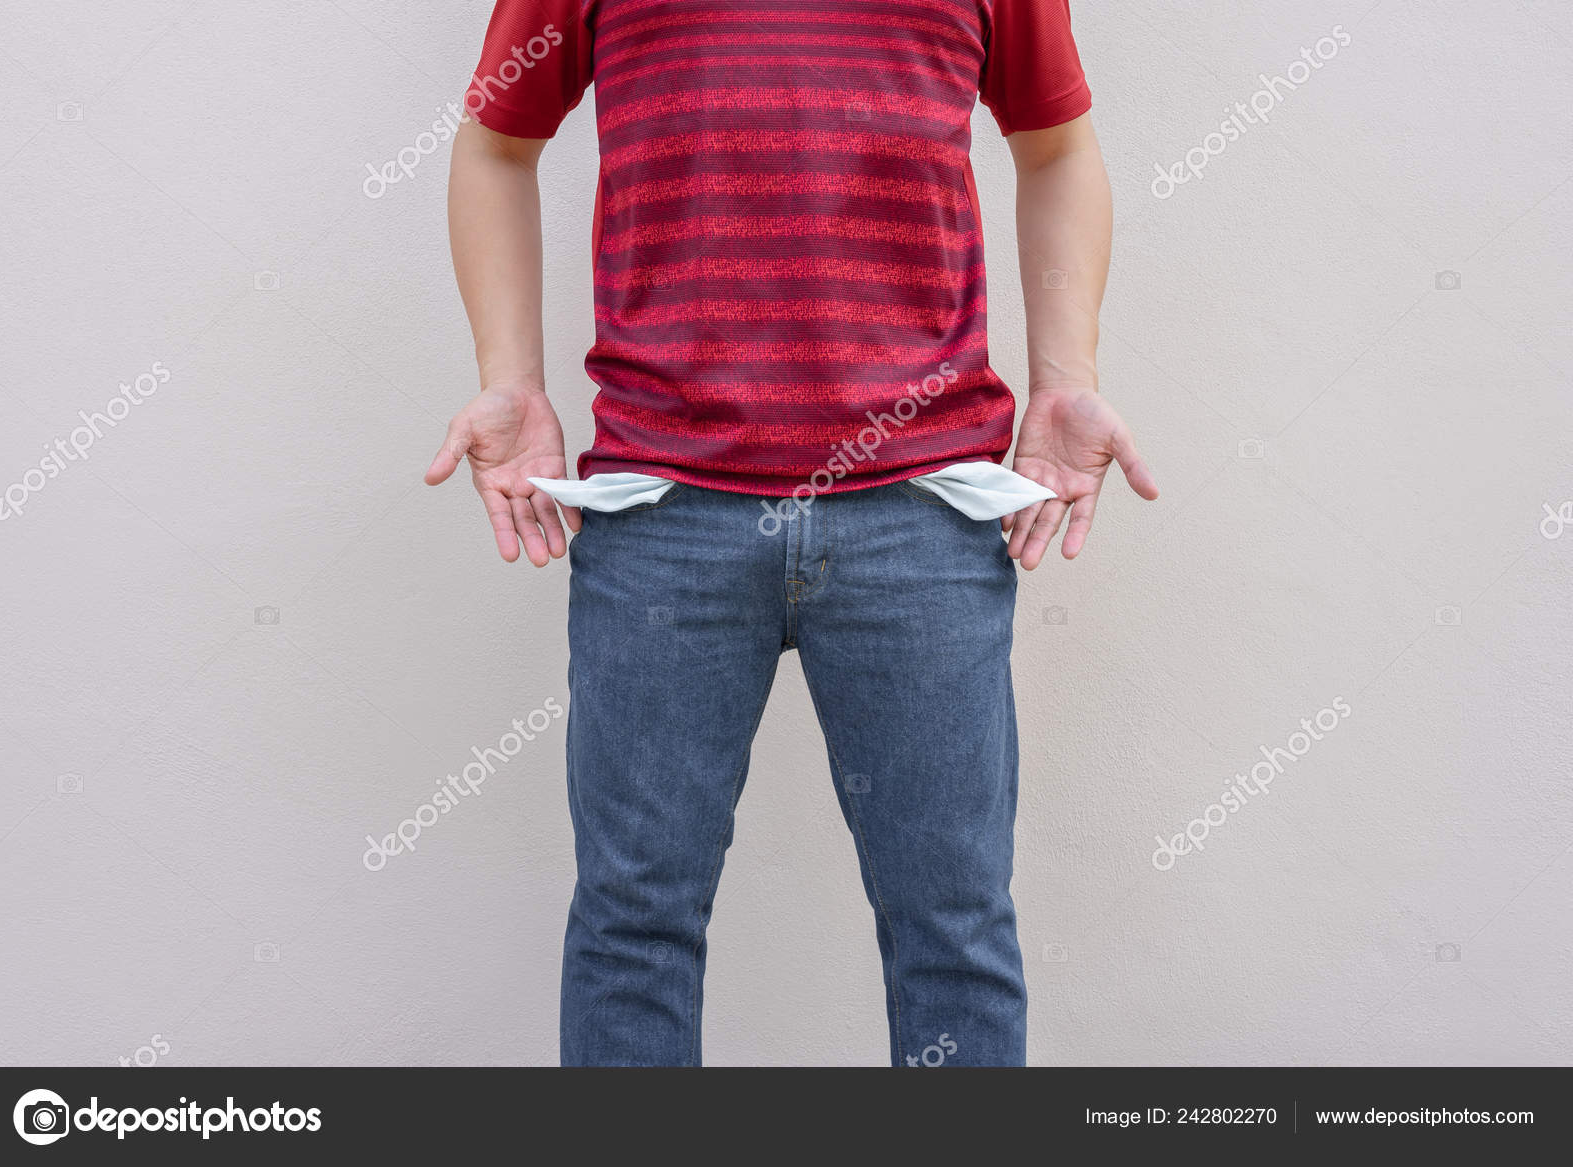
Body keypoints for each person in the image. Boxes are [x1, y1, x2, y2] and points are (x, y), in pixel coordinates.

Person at [427, 0, 1157, 1066]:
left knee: (951, 928)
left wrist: (1067, 379)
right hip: (661, 515)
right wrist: (510, 380)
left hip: (922, 519)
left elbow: (1055, 148)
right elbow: (496, 141)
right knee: (634, 926)